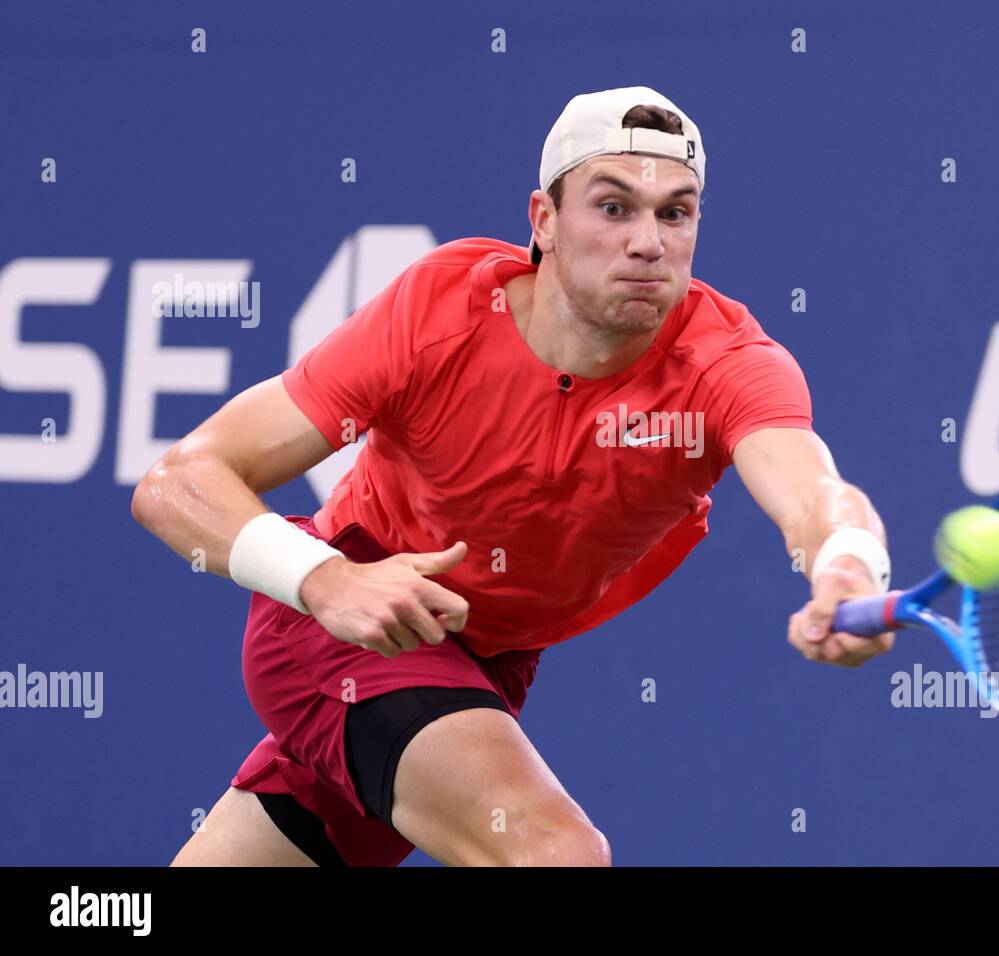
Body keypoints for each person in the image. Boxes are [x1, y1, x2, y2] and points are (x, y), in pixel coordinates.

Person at [131, 85, 895, 867]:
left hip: (474, 656)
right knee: (555, 855)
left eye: (675, 213)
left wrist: (847, 565)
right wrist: (326, 581)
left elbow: (815, 494)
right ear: (543, 222)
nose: (648, 242)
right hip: (338, 621)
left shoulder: (728, 365)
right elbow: (178, 481)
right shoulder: (440, 312)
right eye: (613, 207)